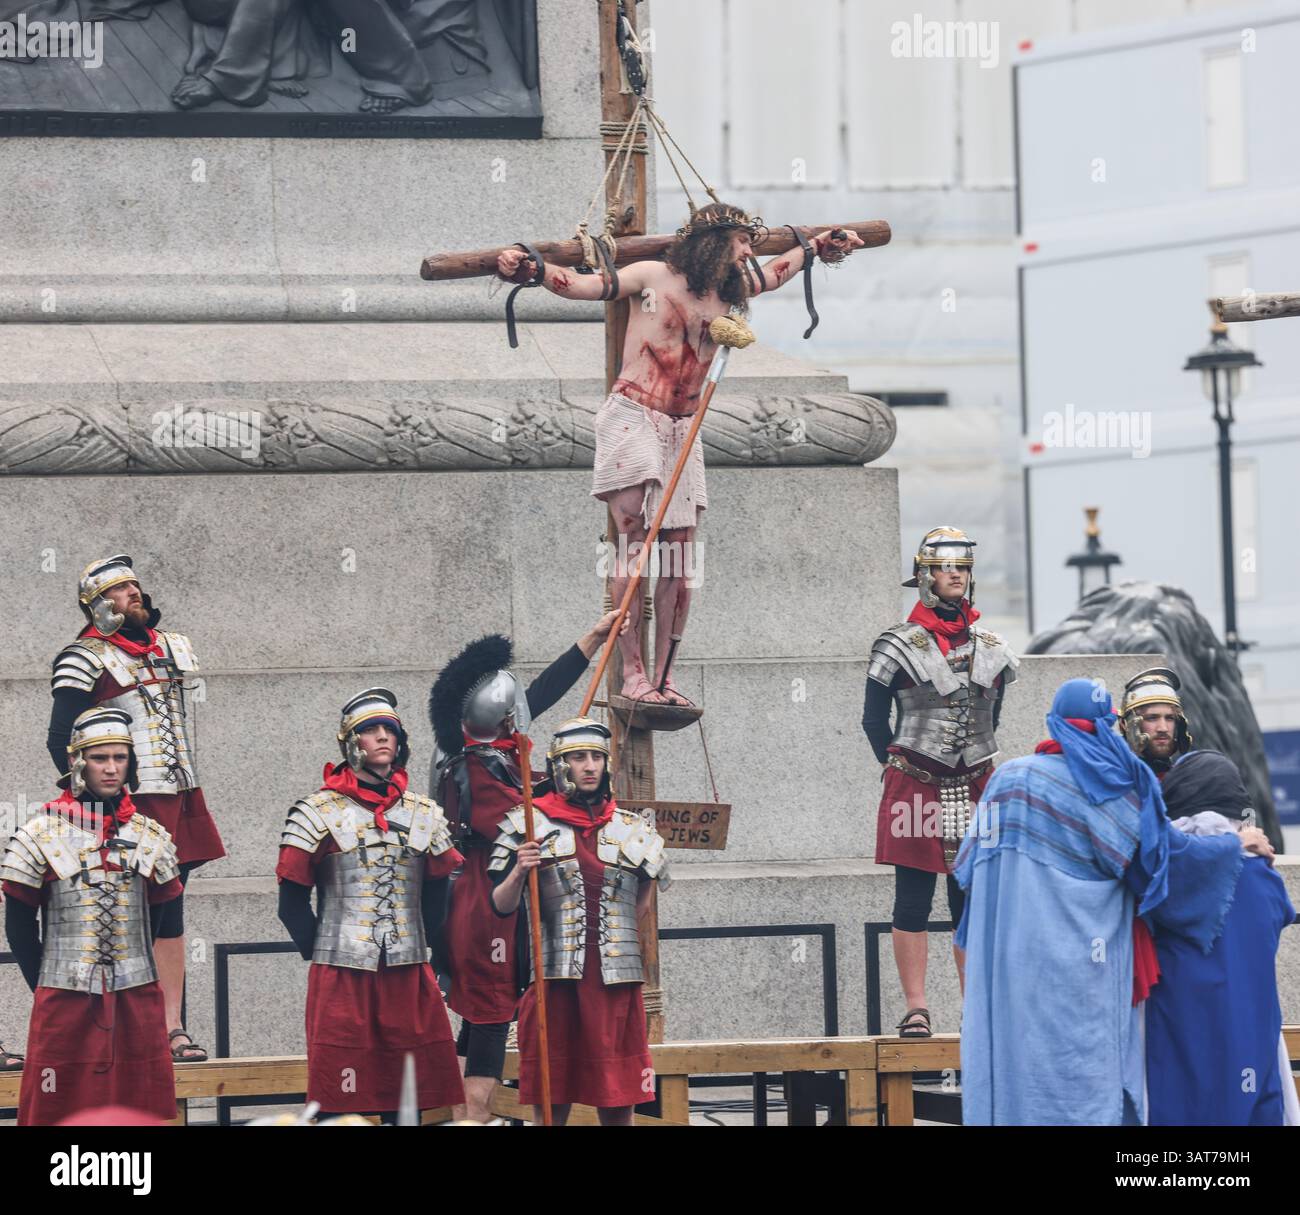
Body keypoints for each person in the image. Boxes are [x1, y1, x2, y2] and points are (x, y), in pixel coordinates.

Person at [497, 202, 864, 707]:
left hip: (682, 429)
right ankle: (632, 672)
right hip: (634, 415)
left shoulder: (730, 290)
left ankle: (665, 675)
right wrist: (533, 268)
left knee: (679, 556)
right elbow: (586, 286)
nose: (747, 254)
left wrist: (819, 247)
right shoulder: (653, 275)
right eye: (740, 243)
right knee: (632, 539)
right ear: (712, 243)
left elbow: (780, 271)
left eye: (750, 247)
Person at [955, 677, 1272, 1125]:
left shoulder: (1007, 779)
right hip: (1079, 974)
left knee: (1012, 1068)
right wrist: (1230, 846)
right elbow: (1161, 863)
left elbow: (966, 871)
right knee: (1078, 1079)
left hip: (1005, 967)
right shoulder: (1107, 784)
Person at [428, 612, 622, 1123]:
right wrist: (565, 786)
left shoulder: (485, 746)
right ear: (499, 717)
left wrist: (592, 640)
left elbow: (541, 693)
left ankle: (471, 1113)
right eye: (513, 714)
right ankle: (473, 1117)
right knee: (490, 1010)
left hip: (486, 892)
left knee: (481, 1015)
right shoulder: (476, 765)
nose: (521, 718)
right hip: (483, 897)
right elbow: (519, 819)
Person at [48, 554, 223, 1063]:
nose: (134, 595)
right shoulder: (83, 656)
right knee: (116, 912)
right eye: (121, 591)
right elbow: (61, 737)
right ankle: (116, 1026)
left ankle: (171, 1027)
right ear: (98, 606)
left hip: (179, 796)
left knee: (170, 909)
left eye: (135, 587)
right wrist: (92, 805)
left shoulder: (172, 648)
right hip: (126, 800)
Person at [276, 688, 464, 1119]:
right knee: (340, 1101)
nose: (382, 737)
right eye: (369, 730)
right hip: (342, 973)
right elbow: (290, 902)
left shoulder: (424, 813)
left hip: (408, 969)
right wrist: (324, 951)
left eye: (389, 730)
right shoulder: (317, 811)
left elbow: (438, 895)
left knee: (410, 1099)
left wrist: (440, 958)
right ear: (350, 742)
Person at [862, 526, 1017, 1038]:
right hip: (915, 780)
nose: (956, 574)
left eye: (963, 567)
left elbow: (990, 719)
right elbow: (872, 720)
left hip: (975, 780)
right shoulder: (895, 644)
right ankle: (916, 1008)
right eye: (945, 566)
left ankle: (977, 1006)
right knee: (912, 895)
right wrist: (895, 769)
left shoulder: (992, 646)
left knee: (967, 895)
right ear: (925, 576)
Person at [2, 708, 181, 1125]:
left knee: (140, 1102)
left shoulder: (149, 835)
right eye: (101, 758)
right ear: (78, 762)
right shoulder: (40, 833)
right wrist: (44, 985)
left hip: (136, 994)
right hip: (63, 994)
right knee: (58, 1101)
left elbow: (159, 916)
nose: (111, 768)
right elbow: (19, 924)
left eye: (120, 758)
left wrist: (133, 968)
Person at [489, 716, 668, 1125]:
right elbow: (500, 906)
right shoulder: (529, 824)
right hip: (555, 979)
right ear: (559, 766)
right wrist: (519, 870)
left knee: (618, 1092)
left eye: (596, 757)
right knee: (553, 1094)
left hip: (615, 981)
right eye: (578, 758)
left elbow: (642, 902)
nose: (589, 766)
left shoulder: (632, 830)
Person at [1145, 749, 1296, 1126]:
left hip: (1177, 1025)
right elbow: (1279, 913)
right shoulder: (1263, 876)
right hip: (1251, 1025)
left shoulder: (1163, 875)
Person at [1119, 667, 1193, 779]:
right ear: (1124, 725)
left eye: (1169, 718)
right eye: (1152, 718)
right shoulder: (1114, 779)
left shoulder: (1184, 780)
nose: (1163, 728)